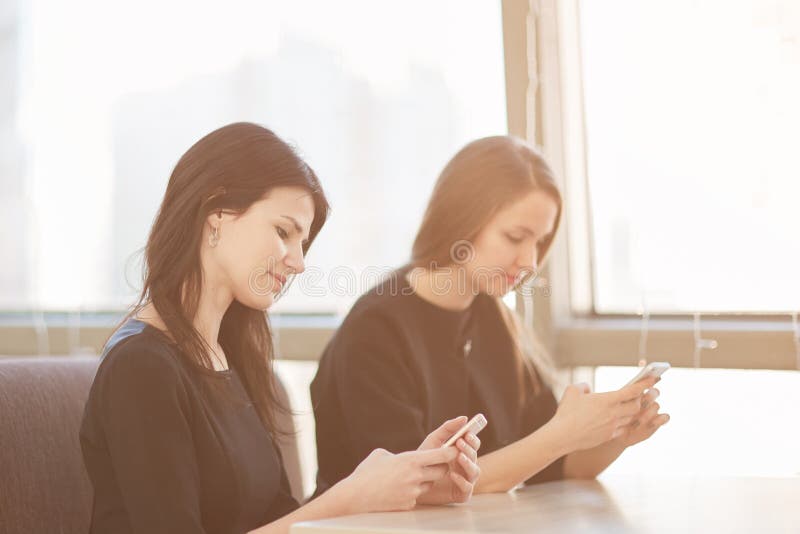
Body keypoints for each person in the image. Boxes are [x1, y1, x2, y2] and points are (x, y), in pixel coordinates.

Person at [79, 122, 481, 534]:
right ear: (216, 214)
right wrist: (353, 496)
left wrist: (407, 485)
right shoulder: (142, 368)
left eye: (302, 242)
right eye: (283, 232)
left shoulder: (228, 356)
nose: (299, 261)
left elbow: (278, 519)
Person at [311, 136, 667, 494]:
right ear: (460, 222)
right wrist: (561, 436)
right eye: (515, 237)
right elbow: (420, 490)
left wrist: (616, 435)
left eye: (540, 242)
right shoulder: (375, 332)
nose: (530, 261)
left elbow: (552, 467)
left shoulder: (495, 319)